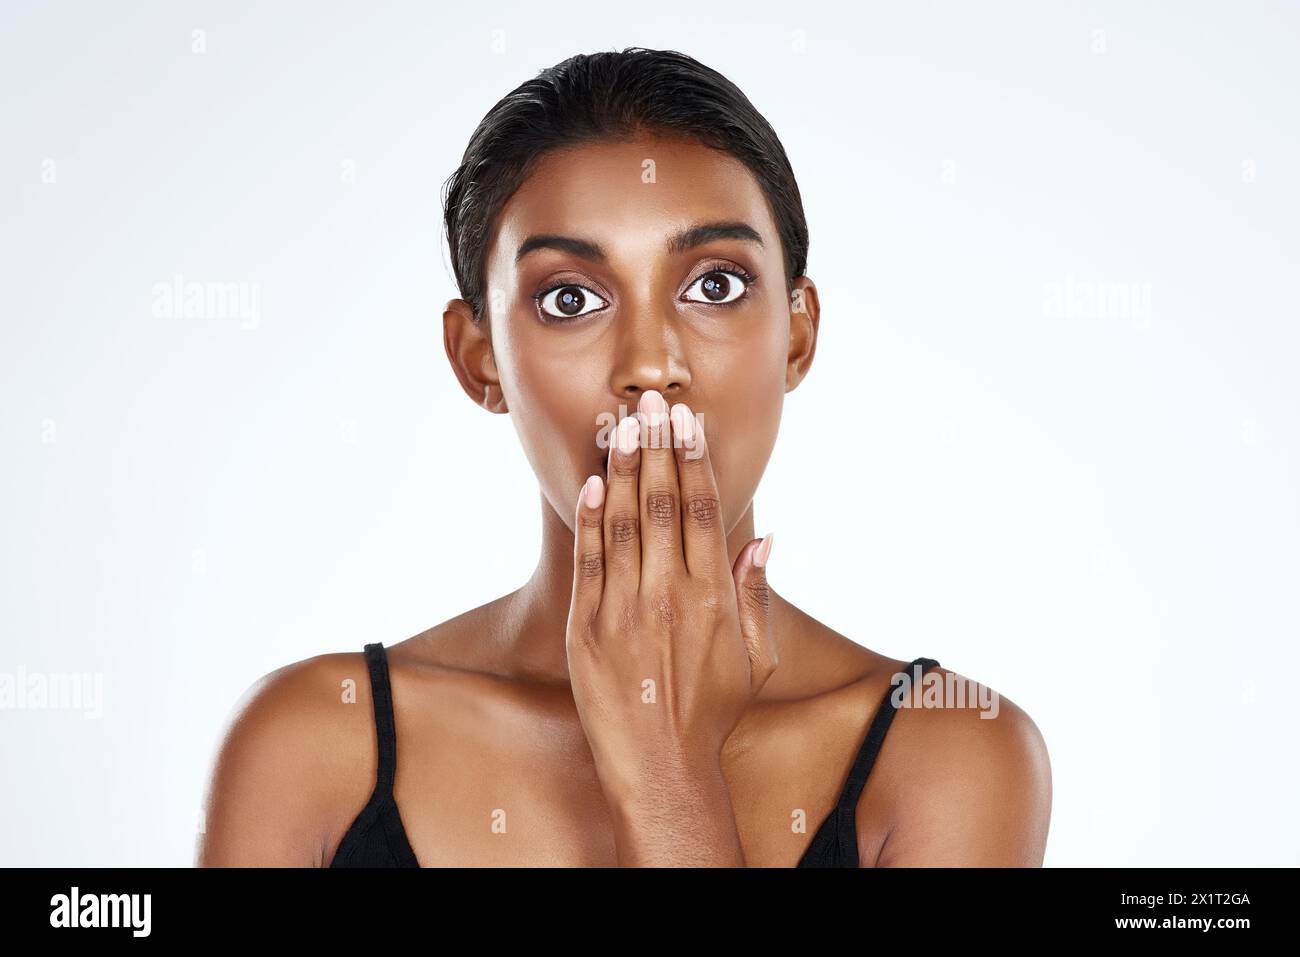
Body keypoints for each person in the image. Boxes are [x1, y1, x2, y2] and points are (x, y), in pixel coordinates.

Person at [197, 47, 1051, 867]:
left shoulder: (952, 755)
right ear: (478, 357)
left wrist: (669, 774)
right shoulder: (311, 747)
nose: (650, 363)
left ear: (798, 333)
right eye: (570, 298)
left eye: (714, 285)